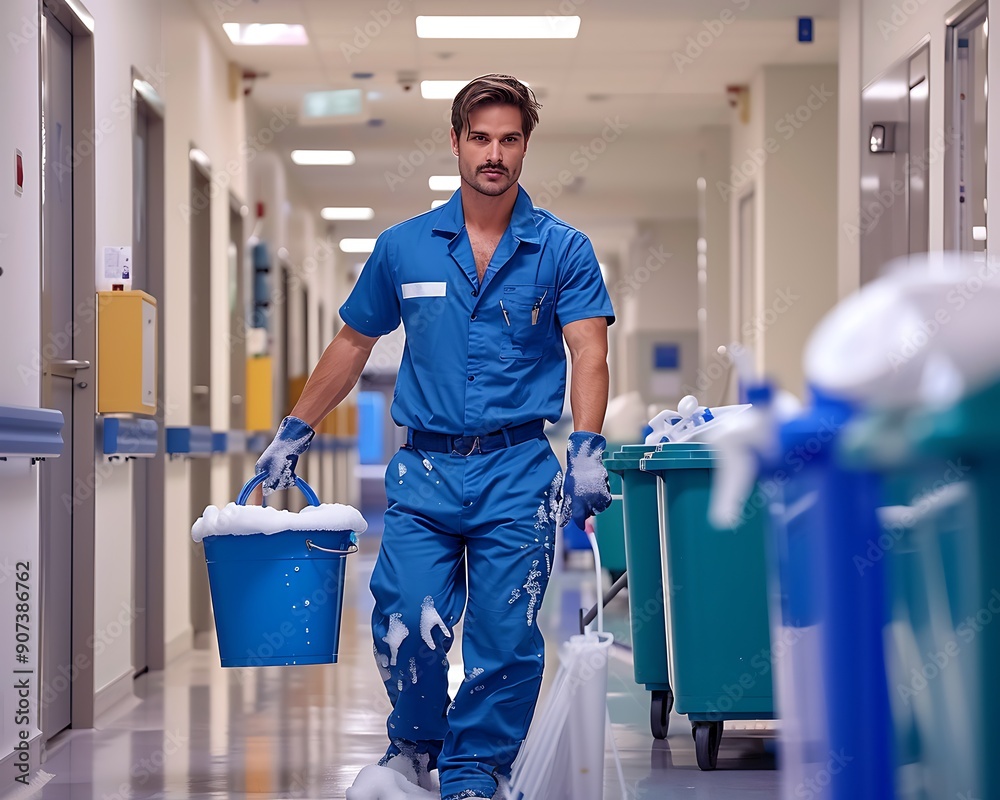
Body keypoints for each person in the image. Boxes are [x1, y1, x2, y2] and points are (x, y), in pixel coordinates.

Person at [254, 74, 614, 800]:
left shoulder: (561, 250)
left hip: (517, 471)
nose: (494, 153)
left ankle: (477, 767)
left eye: (509, 139)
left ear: (524, 147)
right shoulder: (404, 248)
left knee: (505, 636)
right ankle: (418, 743)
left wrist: (586, 446)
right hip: (426, 472)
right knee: (404, 615)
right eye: (480, 138)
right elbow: (353, 344)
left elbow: (589, 350)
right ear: (455, 142)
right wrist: (295, 428)